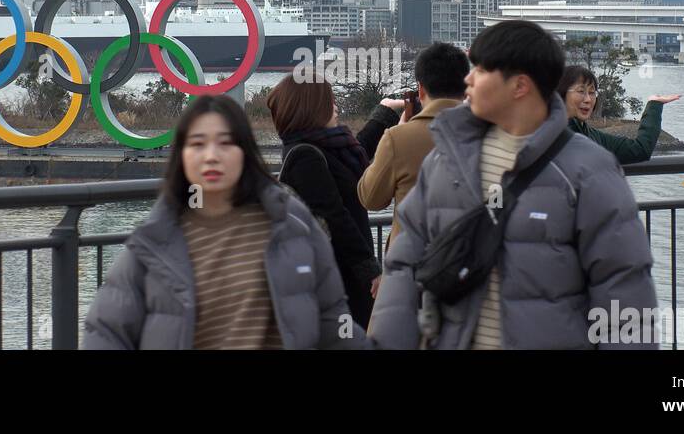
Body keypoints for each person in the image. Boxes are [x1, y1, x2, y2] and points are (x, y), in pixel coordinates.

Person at [368, 20, 658, 349]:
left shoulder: (588, 169)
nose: (468, 79)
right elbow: (402, 268)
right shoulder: (446, 158)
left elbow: (624, 293)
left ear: (519, 86)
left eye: (480, 70)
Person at [83, 95, 365, 350]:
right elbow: (106, 332)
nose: (211, 156)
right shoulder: (154, 242)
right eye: (197, 144)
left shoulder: (291, 225)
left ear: (245, 152)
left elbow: (333, 322)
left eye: (225, 142)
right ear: (182, 156)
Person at [267, 72, 398, 329]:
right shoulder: (305, 156)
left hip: (343, 272)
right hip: (337, 276)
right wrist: (371, 272)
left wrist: (384, 113)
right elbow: (336, 217)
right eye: (329, 101)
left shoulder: (322, 148)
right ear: (312, 108)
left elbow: (358, 153)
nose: (336, 107)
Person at [357, 42, 469, 253]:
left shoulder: (398, 139)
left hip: (410, 264)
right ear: (466, 85)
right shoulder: (489, 135)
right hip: (471, 264)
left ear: (421, 88)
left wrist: (394, 135)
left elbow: (370, 198)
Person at [557, 65, 680, 164]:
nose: (588, 99)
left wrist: (654, 105)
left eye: (592, 92)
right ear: (561, 94)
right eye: (581, 91)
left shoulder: (593, 135)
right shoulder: (549, 136)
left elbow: (639, 150)